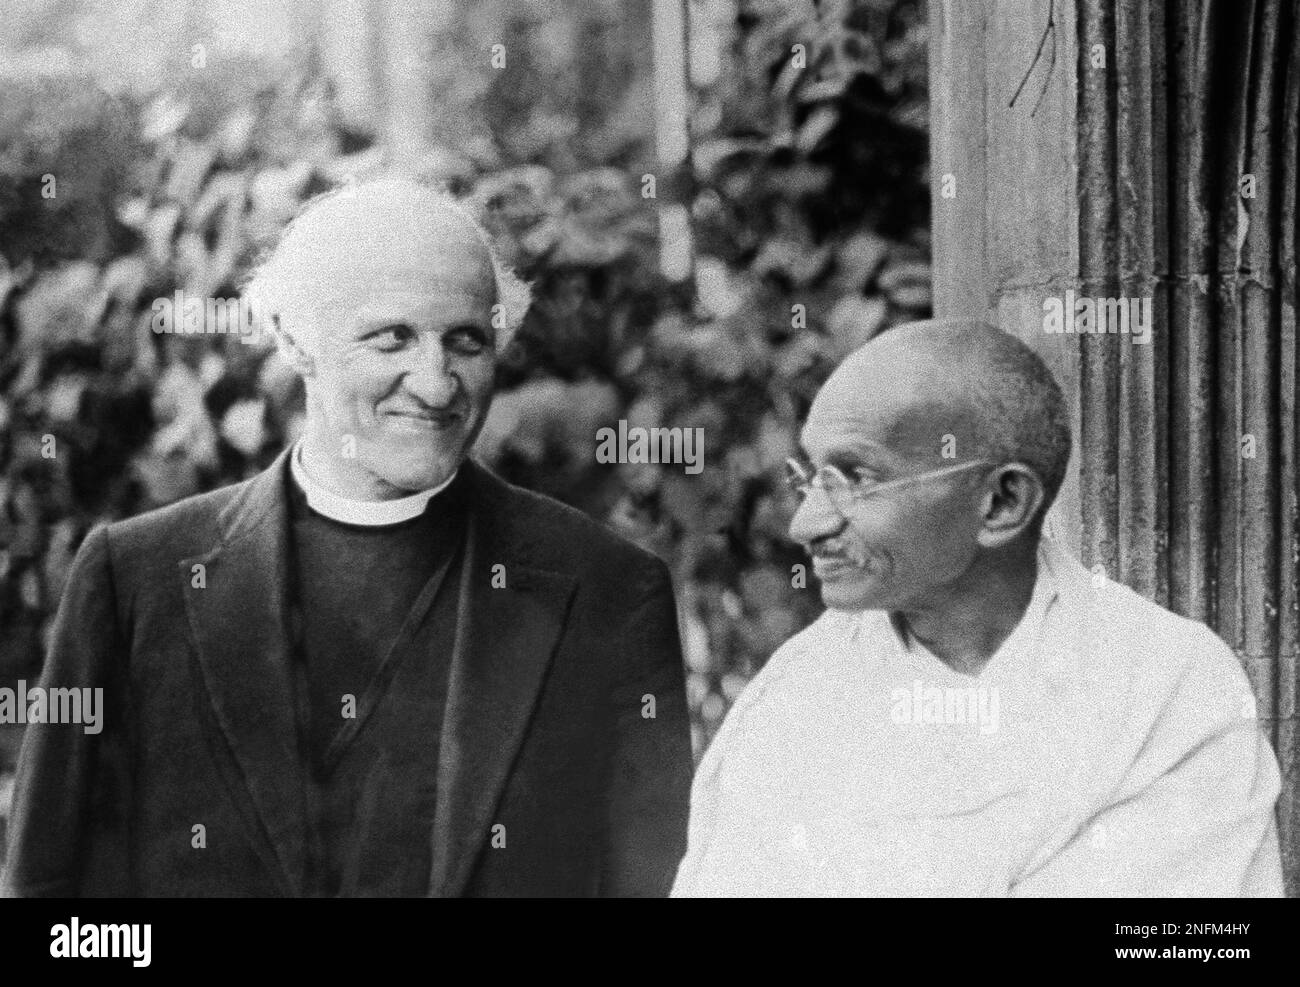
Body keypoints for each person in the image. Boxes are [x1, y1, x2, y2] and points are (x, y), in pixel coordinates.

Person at [2, 178, 692, 897]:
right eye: (391, 336)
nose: (435, 383)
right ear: (296, 339)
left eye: (466, 341)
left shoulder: (610, 593)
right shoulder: (132, 581)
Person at [672, 318, 1283, 897]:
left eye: (857, 478)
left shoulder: (1166, 687)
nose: (808, 523)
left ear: (1001, 503)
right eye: (811, 477)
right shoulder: (794, 700)